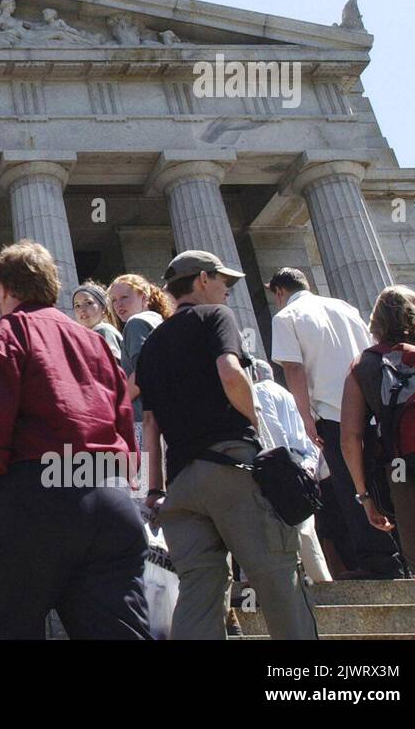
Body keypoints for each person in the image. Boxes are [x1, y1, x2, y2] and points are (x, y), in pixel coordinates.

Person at [0, 241, 149, 640]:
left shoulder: (0, 337)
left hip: (34, 497)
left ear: (5, 290)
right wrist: (133, 490)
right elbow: (123, 419)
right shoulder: (95, 342)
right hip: (108, 495)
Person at [136, 250, 318, 640]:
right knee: (277, 576)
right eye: (224, 282)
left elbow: (149, 424)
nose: (228, 292)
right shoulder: (215, 317)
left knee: (199, 592)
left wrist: (155, 488)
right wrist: (259, 430)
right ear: (202, 279)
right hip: (233, 466)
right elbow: (230, 372)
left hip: (182, 486)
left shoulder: (151, 345)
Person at [267, 267, 402, 579]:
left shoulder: (287, 316)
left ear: (279, 292)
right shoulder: (345, 308)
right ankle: (404, 561)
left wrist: (305, 419)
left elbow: (293, 369)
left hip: (334, 415)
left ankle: (378, 564)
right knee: (384, 482)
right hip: (374, 410)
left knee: (353, 488)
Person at [342, 285, 415, 612]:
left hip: (409, 476)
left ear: (376, 323)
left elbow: (350, 437)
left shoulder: (367, 363)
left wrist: (365, 496)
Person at [250, 358, 331, 583]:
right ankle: (321, 582)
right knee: (306, 529)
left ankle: (296, 582)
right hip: (303, 461)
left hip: (283, 462)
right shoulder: (287, 394)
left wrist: (276, 466)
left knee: (291, 528)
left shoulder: (259, 391)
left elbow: (272, 431)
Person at [108, 273, 172, 450]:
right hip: (167, 416)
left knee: (143, 475)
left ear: (143, 297)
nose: (118, 305)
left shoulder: (136, 323)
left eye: (124, 297)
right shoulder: (161, 321)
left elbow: (143, 371)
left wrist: (117, 407)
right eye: (113, 300)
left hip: (143, 422)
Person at [72, 281, 123, 361]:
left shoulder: (103, 330)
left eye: (88, 303)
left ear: (103, 308)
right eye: (77, 305)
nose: (82, 309)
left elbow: (111, 365)